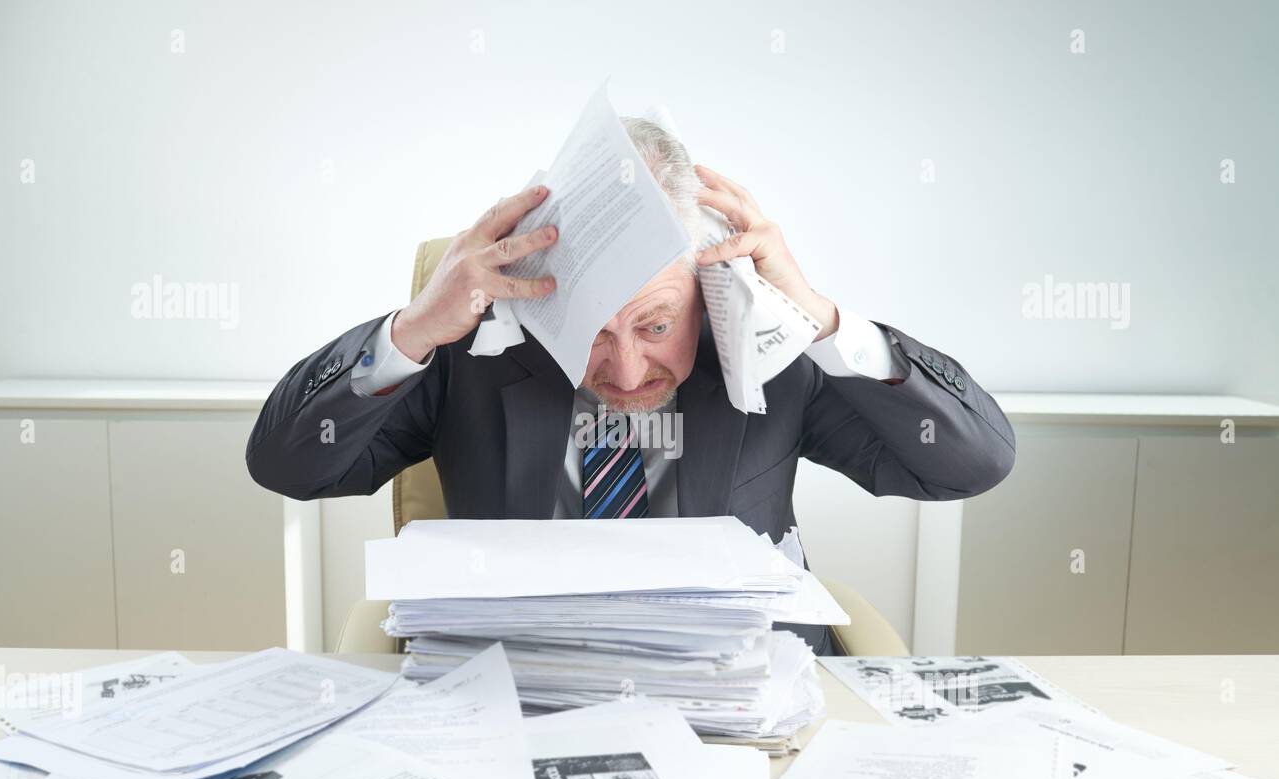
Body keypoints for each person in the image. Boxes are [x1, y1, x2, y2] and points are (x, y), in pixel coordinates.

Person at [246, 119, 1015, 655]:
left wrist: (821, 318)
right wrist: (410, 329)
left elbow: (972, 461)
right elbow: (286, 462)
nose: (623, 372)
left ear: (705, 290)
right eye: (591, 332)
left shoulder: (766, 353)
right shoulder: (471, 352)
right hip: (525, 701)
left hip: (739, 709)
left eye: (654, 325)